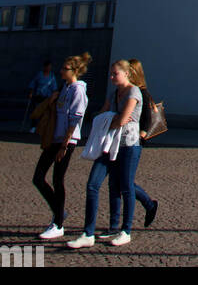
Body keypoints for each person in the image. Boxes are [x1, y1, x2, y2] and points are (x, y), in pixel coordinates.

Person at [68, 59, 144, 248]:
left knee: (126, 187)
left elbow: (122, 119)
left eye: (115, 74)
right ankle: (88, 233)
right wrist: (103, 120)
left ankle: (126, 230)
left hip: (128, 145)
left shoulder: (134, 92)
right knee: (93, 184)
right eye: (111, 74)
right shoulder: (114, 92)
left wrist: (103, 121)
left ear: (127, 73)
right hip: (110, 144)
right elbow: (103, 114)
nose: (111, 77)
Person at [32, 52, 91, 240]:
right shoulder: (64, 87)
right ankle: (59, 211)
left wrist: (64, 145)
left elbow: (75, 119)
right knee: (38, 177)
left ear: (74, 71)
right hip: (55, 139)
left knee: (58, 180)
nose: (61, 71)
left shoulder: (77, 90)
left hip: (66, 141)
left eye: (65, 69)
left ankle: (58, 224)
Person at [96, 59, 158, 236]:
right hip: (117, 142)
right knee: (119, 183)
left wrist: (142, 135)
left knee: (126, 184)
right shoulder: (118, 93)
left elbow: (146, 118)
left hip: (132, 142)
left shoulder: (139, 93)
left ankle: (144, 209)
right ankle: (115, 225)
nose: (114, 76)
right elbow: (109, 114)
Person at [27, 60, 58, 131]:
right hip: (38, 96)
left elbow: (54, 87)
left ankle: (42, 126)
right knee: (36, 111)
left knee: (45, 112)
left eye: (50, 67)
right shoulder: (39, 75)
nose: (48, 69)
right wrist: (31, 92)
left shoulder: (52, 76)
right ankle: (33, 126)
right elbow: (33, 83)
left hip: (47, 97)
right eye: (47, 67)